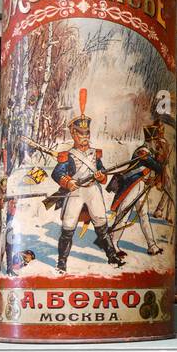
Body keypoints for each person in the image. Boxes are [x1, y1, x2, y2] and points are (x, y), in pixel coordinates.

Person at [48, 106, 127, 270]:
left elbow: (103, 174)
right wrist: (68, 182)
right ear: (74, 135)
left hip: (93, 190)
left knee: (101, 224)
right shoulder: (68, 155)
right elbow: (57, 173)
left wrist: (101, 177)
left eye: (87, 134)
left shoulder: (95, 154)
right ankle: (62, 263)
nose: (85, 137)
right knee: (68, 227)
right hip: (75, 192)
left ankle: (112, 257)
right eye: (81, 134)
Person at [107, 123, 171, 256]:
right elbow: (157, 167)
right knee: (123, 214)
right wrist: (161, 160)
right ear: (150, 141)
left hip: (140, 186)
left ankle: (151, 246)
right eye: (155, 141)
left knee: (143, 216)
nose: (156, 144)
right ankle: (112, 244)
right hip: (132, 186)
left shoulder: (149, 152)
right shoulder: (142, 152)